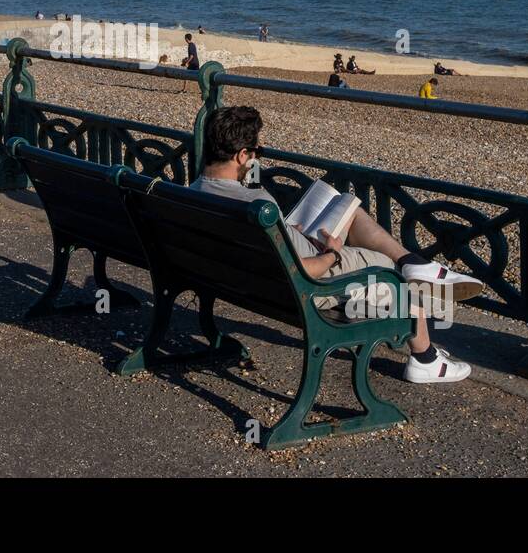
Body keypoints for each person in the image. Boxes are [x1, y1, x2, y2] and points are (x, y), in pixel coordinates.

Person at [191, 106, 479, 383]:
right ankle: (426, 359)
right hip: (309, 285)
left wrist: (287, 233)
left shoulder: (194, 192)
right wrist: (332, 254)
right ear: (242, 155)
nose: (257, 160)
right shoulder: (256, 202)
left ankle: (413, 264)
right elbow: (302, 270)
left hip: (252, 281)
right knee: (393, 273)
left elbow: (264, 250)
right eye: (257, 153)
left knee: (349, 211)